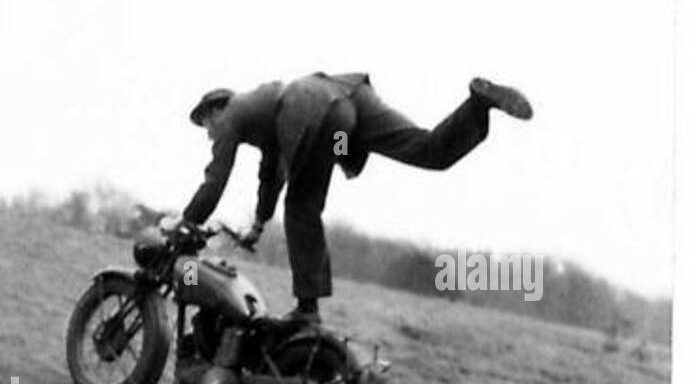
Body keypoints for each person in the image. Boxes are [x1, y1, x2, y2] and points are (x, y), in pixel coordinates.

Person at [180, 73, 532, 325]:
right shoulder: (262, 111)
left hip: (319, 112)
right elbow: (272, 173)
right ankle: (477, 106)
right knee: (426, 151)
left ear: (215, 109)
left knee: (302, 208)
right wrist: (259, 222)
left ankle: (307, 310)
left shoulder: (231, 116)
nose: (209, 131)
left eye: (205, 123)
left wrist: (186, 223)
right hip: (348, 105)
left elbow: (216, 180)